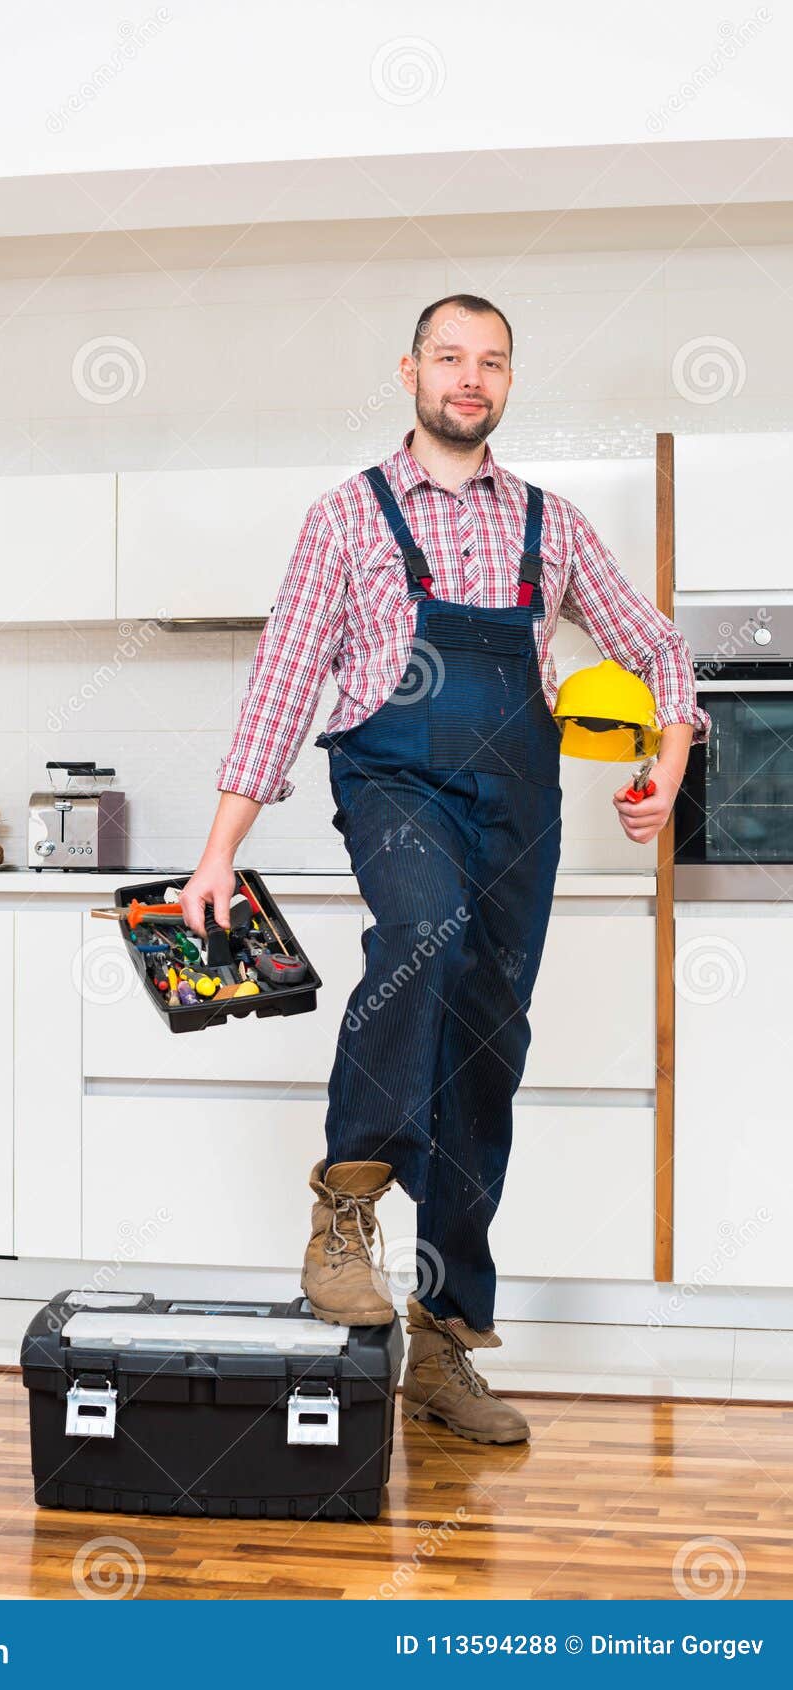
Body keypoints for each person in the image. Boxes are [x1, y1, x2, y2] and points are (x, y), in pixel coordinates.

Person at [180, 294, 710, 1445]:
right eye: (451, 358)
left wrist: (667, 769)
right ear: (410, 368)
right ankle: (345, 1207)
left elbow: (659, 649)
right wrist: (218, 853)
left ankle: (445, 1341)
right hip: (394, 784)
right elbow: (280, 688)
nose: (471, 378)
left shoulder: (550, 527)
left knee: (488, 1047)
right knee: (421, 929)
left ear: (509, 382)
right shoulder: (346, 519)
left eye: (493, 362)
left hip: (517, 807)